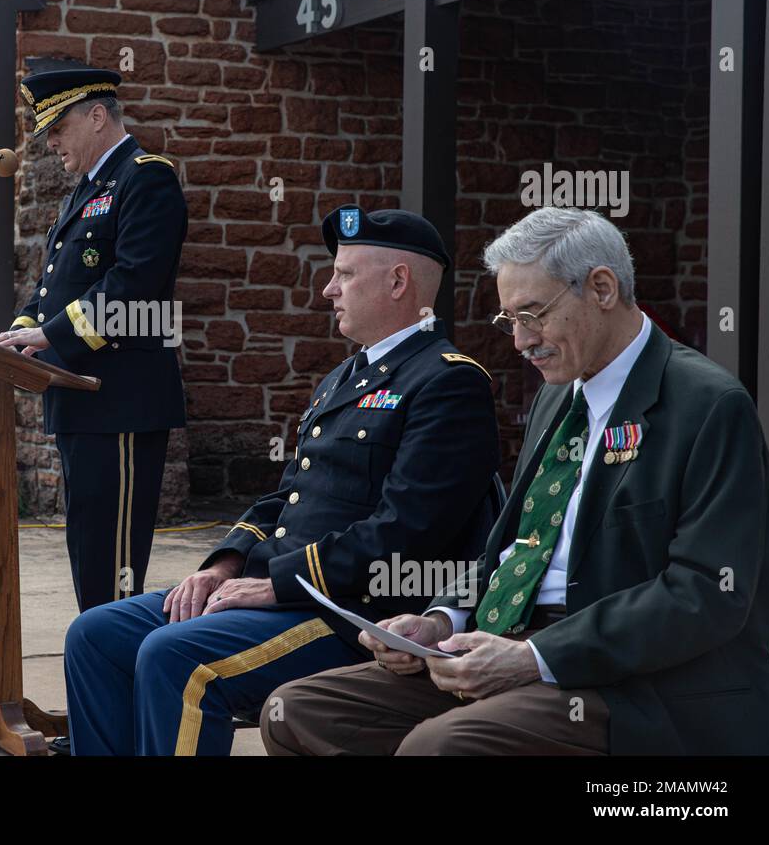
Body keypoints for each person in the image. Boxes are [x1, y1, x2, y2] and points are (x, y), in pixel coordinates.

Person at [260, 206, 769, 756]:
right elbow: (515, 547)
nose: (520, 343)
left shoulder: (709, 405)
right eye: (509, 321)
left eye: (533, 314)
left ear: (602, 288)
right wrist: (441, 619)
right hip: (505, 644)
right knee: (295, 713)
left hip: (631, 686)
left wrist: (534, 657)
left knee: (440, 747)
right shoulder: (559, 393)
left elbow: (706, 594)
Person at [61, 206, 503, 755]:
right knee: (94, 635)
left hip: (349, 613)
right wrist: (223, 565)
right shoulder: (343, 377)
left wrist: (276, 585)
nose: (327, 290)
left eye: (344, 274)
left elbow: (405, 531)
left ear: (397, 282)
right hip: (283, 592)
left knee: (176, 655)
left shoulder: (448, 382)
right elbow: (286, 496)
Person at [0, 68, 188, 613]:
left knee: (114, 561)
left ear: (97, 116)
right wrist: (24, 330)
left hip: (120, 399)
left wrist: (50, 338)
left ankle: (116, 680)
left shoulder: (146, 178)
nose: (49, 141)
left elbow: (132, 285)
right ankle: (99, 675)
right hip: (80, 397)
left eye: (58, 127)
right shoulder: (87, 190)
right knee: (88, 550)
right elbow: (53, 284)